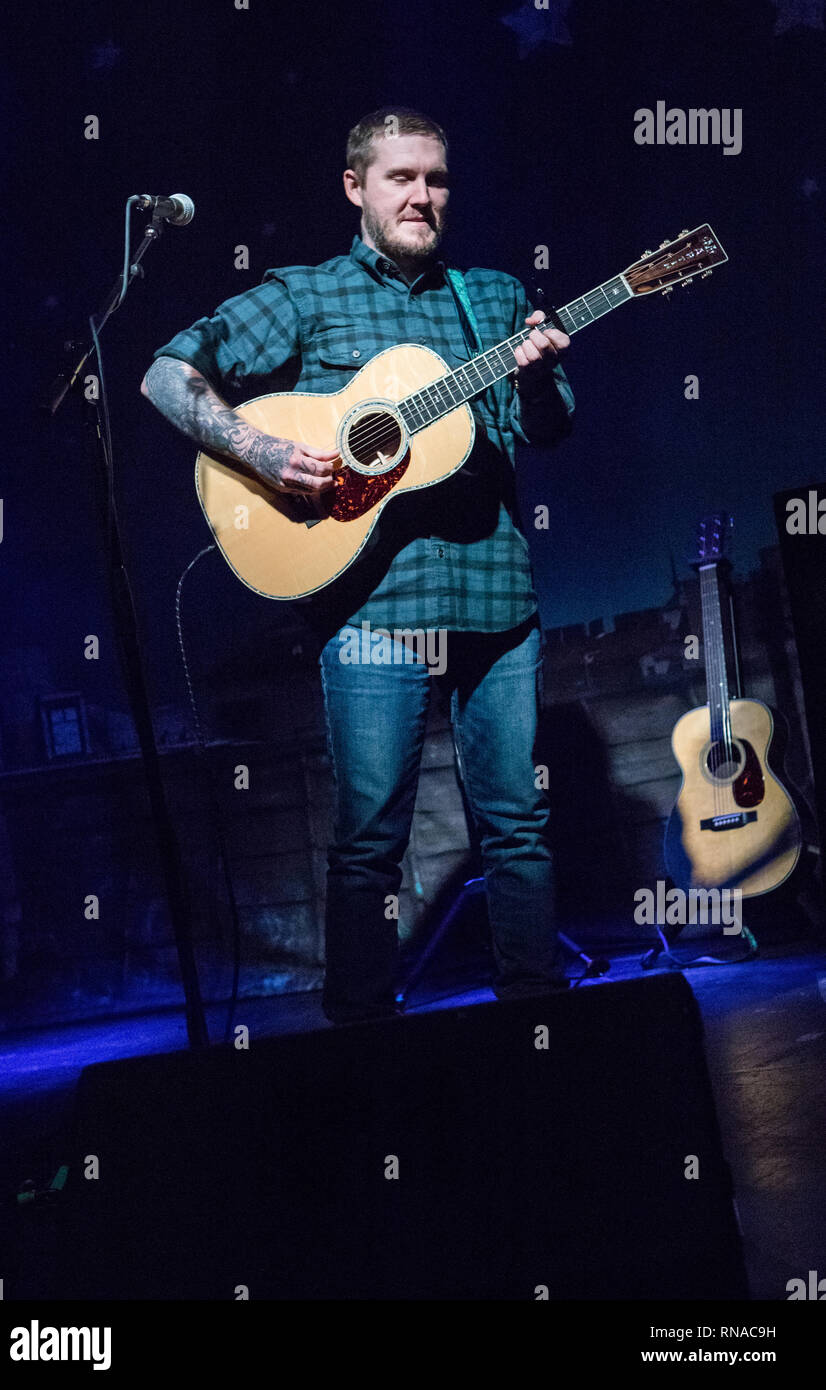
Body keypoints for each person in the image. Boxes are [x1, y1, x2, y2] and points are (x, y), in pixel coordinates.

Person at [141, 107, 574, 1024]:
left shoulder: (490, 297)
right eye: (401, 178)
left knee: (520, 827)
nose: (423, 196)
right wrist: (258, 451)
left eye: (438, 179)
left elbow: (549, 425)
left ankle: (545, 1027)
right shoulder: (305, 294)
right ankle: (365, 1044)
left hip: (497, 594)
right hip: (374, 609)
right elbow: (166, 373)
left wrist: (537, 376)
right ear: (356, 187)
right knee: (369, 842)